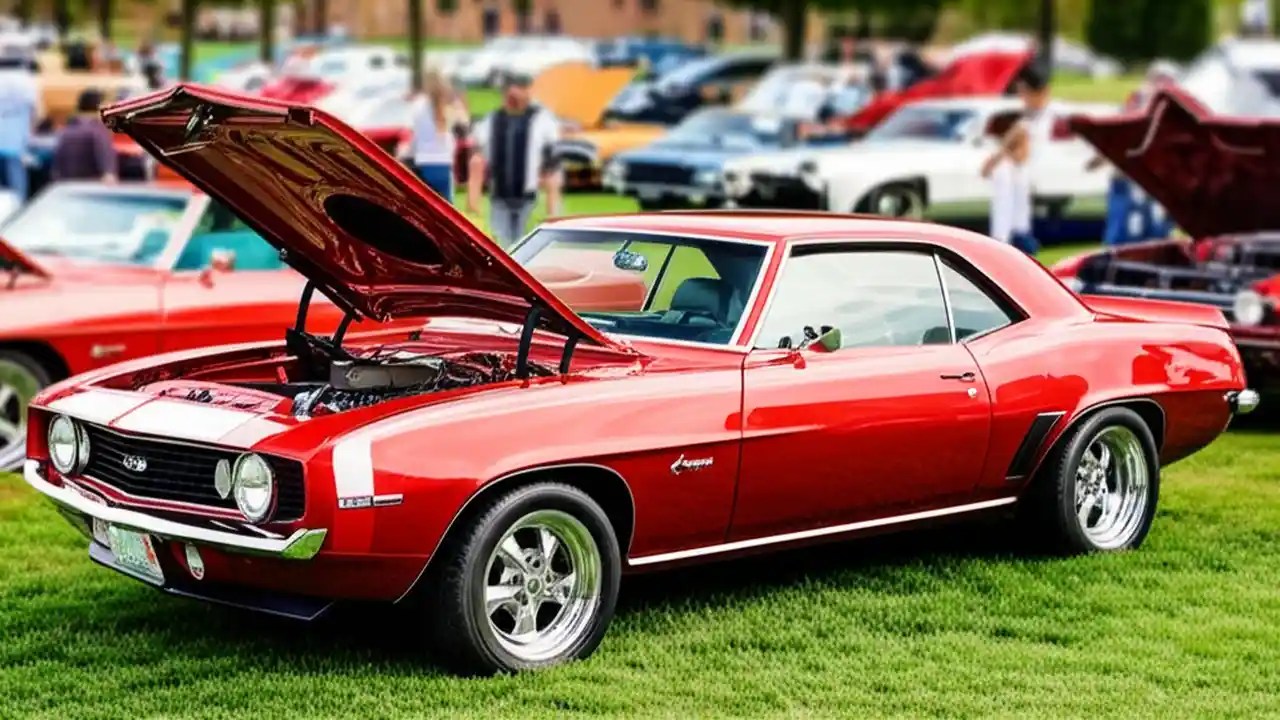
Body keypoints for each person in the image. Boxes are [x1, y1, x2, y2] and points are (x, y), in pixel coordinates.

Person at [1087, 62, 1177, 246]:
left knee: (1153, 234)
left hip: (1154, 181)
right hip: (1131, 178)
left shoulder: (1169, 110)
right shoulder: (1138, 101)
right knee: (1124, 233)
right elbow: (1120, 133)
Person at [467, 72, 560, 247]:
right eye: (510, 90)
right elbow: (477, 161)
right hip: (499, 196)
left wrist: (552, 205)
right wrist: (473, 199)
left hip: (529, 199)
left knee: (525, 246)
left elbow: (551, 165)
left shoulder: (541, 120)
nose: (514, 94)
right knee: (502, 248)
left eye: (519, 89)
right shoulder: (492, 121)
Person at [981, 62, 1056, 254]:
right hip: (1022, 177)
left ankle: (1005, 240)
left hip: (1031, 174)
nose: (1021, 97)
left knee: (1007, 183)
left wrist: (997, 158)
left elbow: (1021, 149)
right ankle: (1006, 239)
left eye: (1023, 92)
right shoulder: (1028, 118)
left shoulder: (1036, 120)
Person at [405, 70, 466, 198]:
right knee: (446, 206)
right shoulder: (448, 104)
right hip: (445, 164)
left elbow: (416, 136)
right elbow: (463, 125)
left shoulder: (419, 105)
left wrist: (406, 155)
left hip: (424, 164)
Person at [51, 89, 117, 183]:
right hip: (92, 187)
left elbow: (57, 167)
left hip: (66, 186)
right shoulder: (97, 131)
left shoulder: (66, 131)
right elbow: (108, 172)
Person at [0, 49, 39, 202]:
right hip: (16, 142)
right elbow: (35, 111)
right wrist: (31, 133)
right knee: (16, 183)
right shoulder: (26, 81)